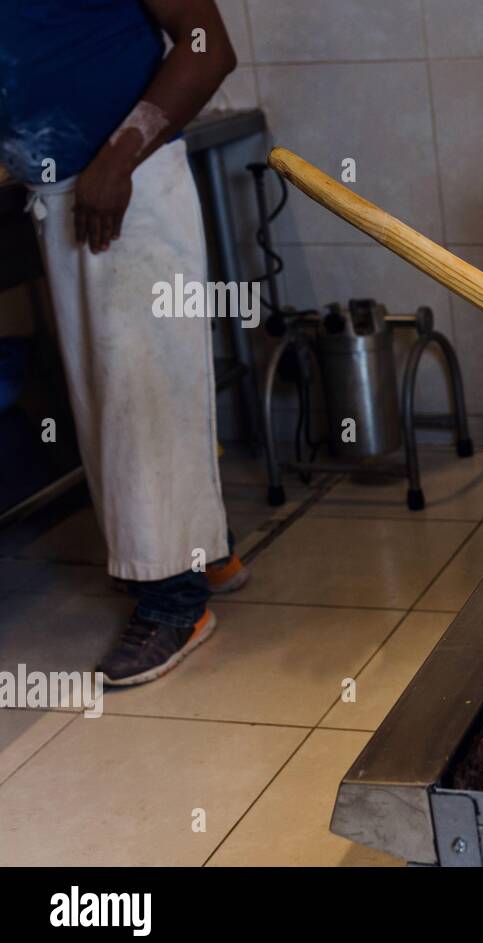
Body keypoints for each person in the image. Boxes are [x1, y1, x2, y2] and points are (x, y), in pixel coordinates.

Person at [1, 0, 250, 685]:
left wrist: (119, 157)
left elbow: (207, 46)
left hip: (126, 189)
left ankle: (175, 602)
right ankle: (209, 552)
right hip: (57, 194)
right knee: (112, 393)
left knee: (142, 393)